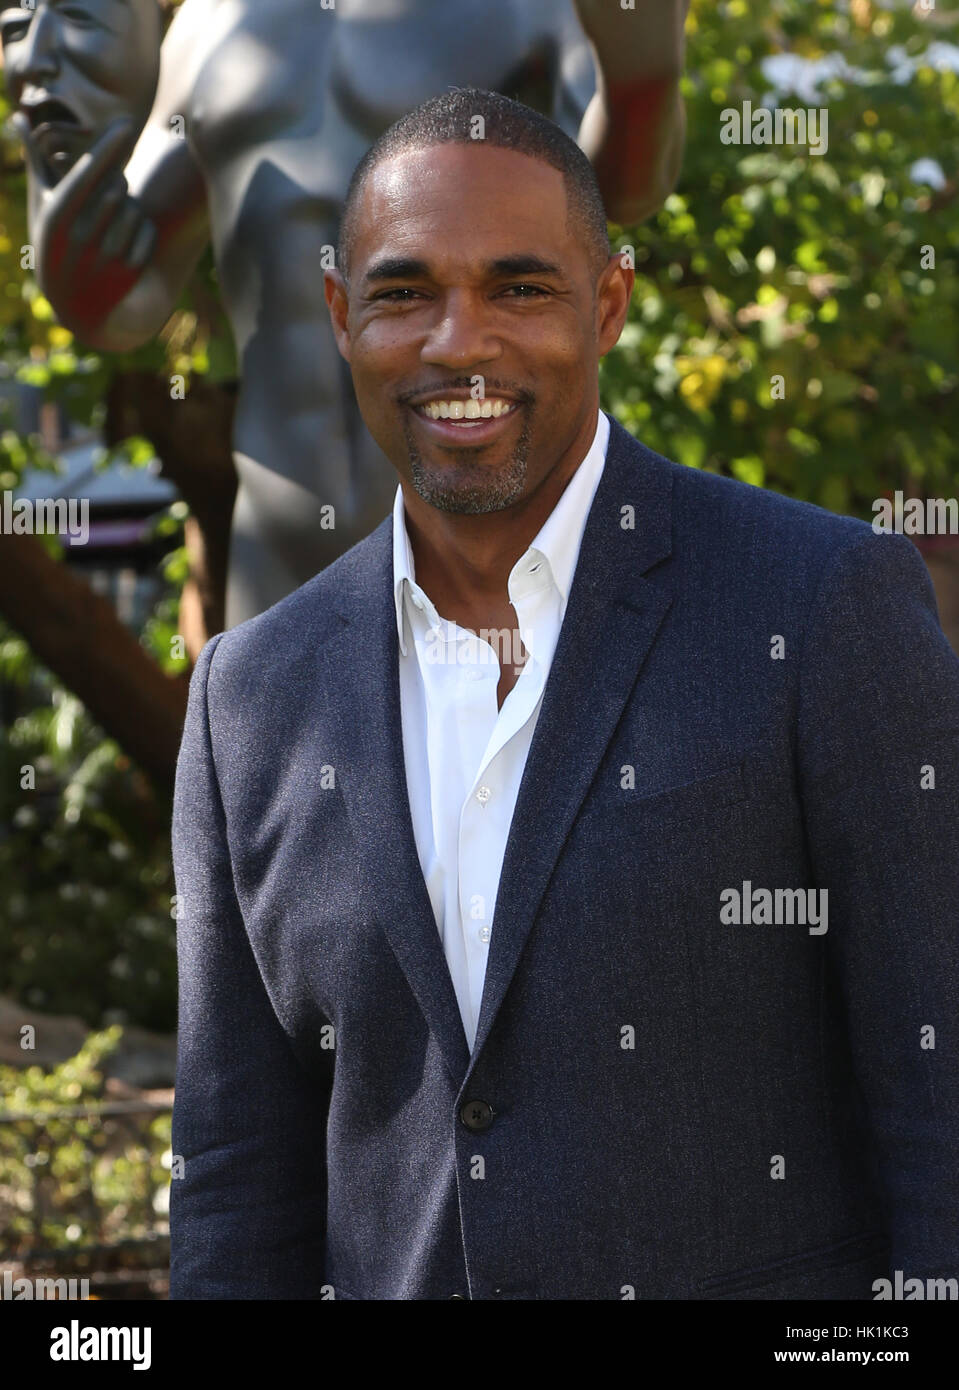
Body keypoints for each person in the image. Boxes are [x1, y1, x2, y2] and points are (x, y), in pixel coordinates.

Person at [170, 88, 959, 1300]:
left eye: (519, 288)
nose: (456, 343)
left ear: (609, 305)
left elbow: (934, 1080)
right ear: (340, 314)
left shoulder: (816, 605)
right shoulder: (248, 698)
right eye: (402, 291)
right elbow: (234, 1174)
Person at [3, 0, 688, 628]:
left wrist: (642, 80)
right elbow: (127, 299)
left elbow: (620, 191)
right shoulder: (212, 25)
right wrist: (70, 255)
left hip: (497, 546)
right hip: (278, 550)